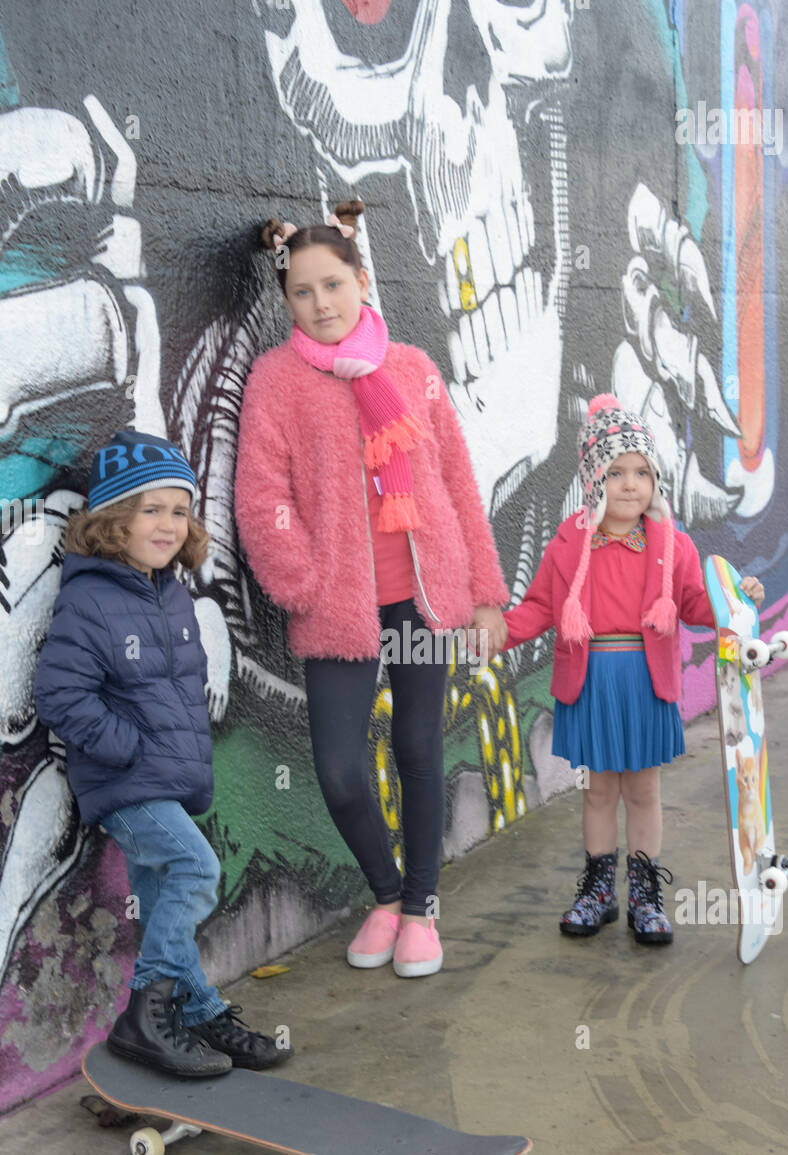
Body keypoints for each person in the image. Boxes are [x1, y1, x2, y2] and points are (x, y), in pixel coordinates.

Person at [234, 199, 509, 977]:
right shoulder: (276, 380)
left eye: (332, 285)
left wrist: (485, 591)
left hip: (423, 597)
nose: (320, 304)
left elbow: (455, 481)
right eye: (302, 292)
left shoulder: (413, 369)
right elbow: (262, 493)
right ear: (285, 301)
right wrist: (304, 580)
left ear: (361, 281)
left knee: (419, 751)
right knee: (341, 769)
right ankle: (384, 894)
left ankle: (420, 907)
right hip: (339, 606)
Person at [32, 430, 284, 1073]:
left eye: (180, 509)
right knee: (197, 870)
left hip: (162, 779)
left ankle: (196, 1012)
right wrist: (129, 747)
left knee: (167, 890)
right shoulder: (91, 599)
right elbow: (61, 693)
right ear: (115, 520)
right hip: (127, 782)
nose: (169, 524)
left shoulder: (169, 593)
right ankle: (147, 1017)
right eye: (151, 509)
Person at [487, 394, 765, 943]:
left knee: (643, 793)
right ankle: (597, 891)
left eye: (642, 472)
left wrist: (735, 602)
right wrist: (496, 630)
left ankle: (644, 894)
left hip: (644, 683)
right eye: (616, 472)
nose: (631, 484)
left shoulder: (669, 543)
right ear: (593, 479)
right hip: (593, 681)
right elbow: (542, 607)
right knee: (597, 793)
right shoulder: (570, 544)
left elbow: (692, 604)